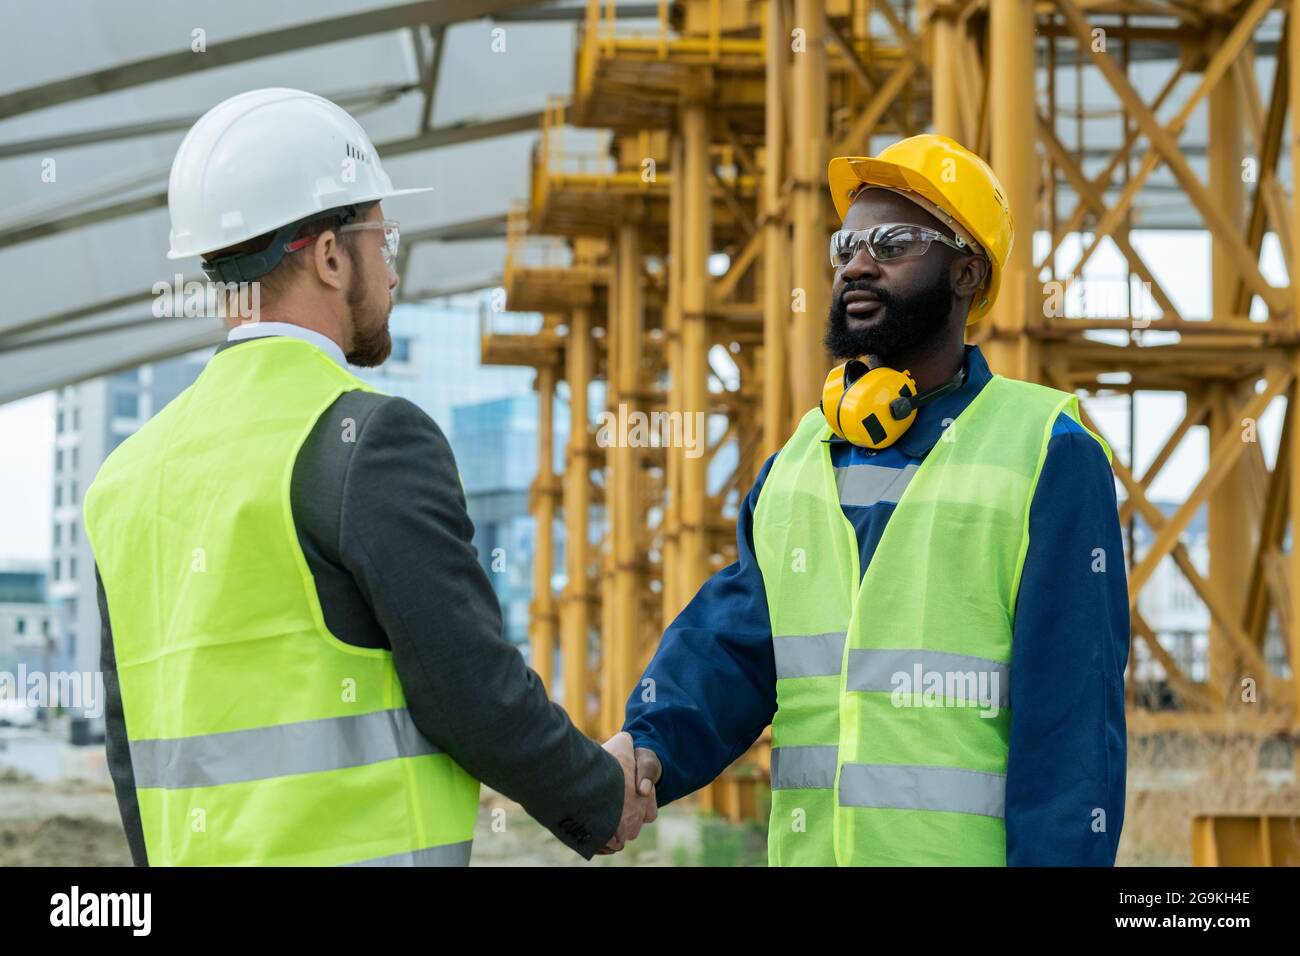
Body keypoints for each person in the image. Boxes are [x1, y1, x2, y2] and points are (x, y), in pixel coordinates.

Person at [83, 88, 654, 866]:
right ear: (326, 255)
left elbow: (131, 754)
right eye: (383, 240)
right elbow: (470, 689)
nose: (391, 269)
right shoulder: (371, 440)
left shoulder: (124, 480)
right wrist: (598, 794)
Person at [620, 134, 1129, 865]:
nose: (858, 262)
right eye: (846, 244)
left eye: (892, 242)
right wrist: (644, 747)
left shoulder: (1047, 451)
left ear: (964, 270)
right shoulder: (797, 461)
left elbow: (1073, 732)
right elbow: (730, 650)